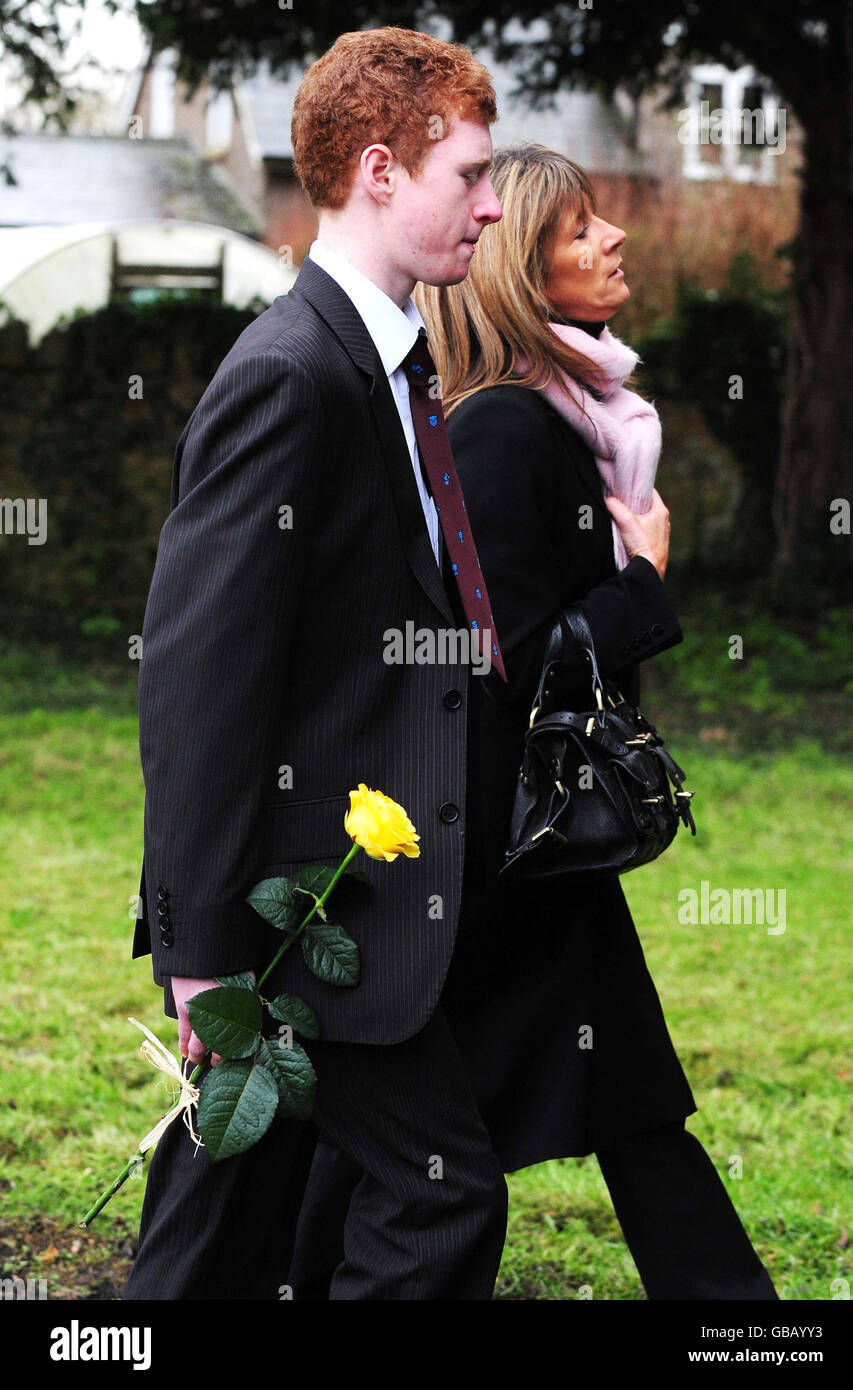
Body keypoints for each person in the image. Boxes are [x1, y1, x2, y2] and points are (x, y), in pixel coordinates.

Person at [287, 144, 780, 1301]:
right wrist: (644, 584)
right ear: (521, 269)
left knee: (601, 1109)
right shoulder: (515, 429)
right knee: (512, 1123)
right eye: (579, 229)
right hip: (503, 854)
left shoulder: (564, 419)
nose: (613, 242)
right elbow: (493, 662)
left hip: (517, 854)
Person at [123, 26, 513, 1301]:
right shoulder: (292, 375)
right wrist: (200, 952)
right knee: (440, 1196)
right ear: (384, 171)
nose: (494, 202)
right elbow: (197, 681)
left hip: (377, 907)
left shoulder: (397, 369)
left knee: (230, 1226)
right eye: (472, 174)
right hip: (301, 917)